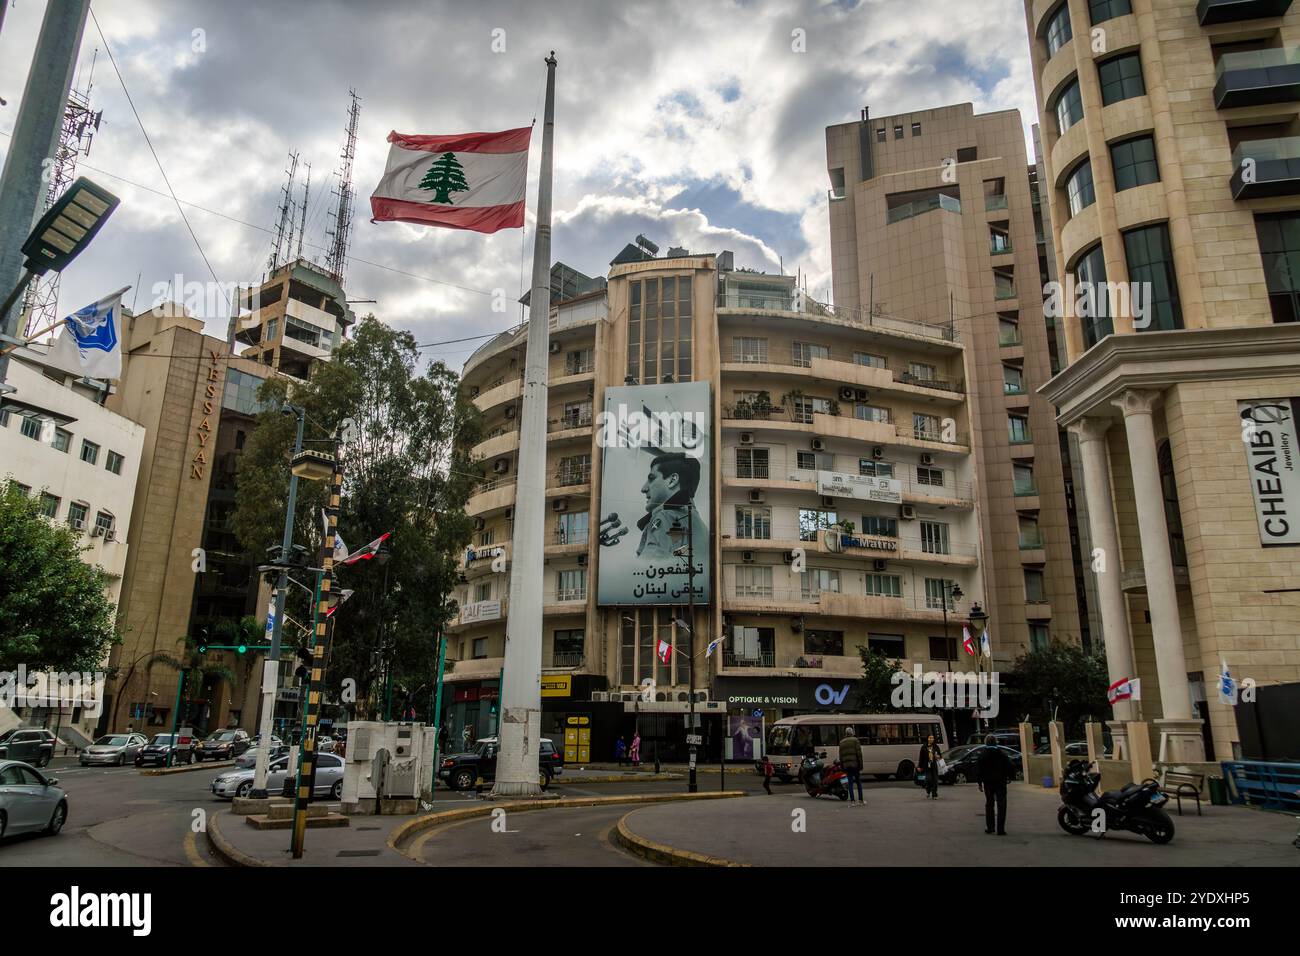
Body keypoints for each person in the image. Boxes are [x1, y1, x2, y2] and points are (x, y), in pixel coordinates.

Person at [977, 736, 1015, 835]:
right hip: (1000, 782)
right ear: (996, 743)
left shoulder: (983, 755)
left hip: (988, 783)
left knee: (989, 804)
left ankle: (990, 827)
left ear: (986, 743)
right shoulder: (1002, 754)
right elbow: (1010, 766)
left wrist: (979, 783)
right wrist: (1009, 777)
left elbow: (978, 770)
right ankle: (1000, 829)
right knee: (1001, 804)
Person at [838, 726, 865, 806]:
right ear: (852, 732)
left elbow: (841, 756)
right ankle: (860, 800)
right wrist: (860, 765)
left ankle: (852, 801)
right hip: (855, 765)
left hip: (847, 765)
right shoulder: (855, 740)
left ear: (846, 733)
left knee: (850, 783)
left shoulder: (842, 742)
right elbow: (859, 754)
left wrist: (842, 766)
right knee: (858, 782)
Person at [917, 733, 943, 799]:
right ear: (927, 738)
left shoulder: (936, 747)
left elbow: (940, 756)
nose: (931, 739)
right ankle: (928, 791)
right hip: (926, 766)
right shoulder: (924, 747)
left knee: (935, 780)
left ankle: (934, 794)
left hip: (934, 765)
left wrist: (938, 756)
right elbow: (921, 757)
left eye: (932, 738)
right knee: (928, 779)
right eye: (930, 738)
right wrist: (919, 766)